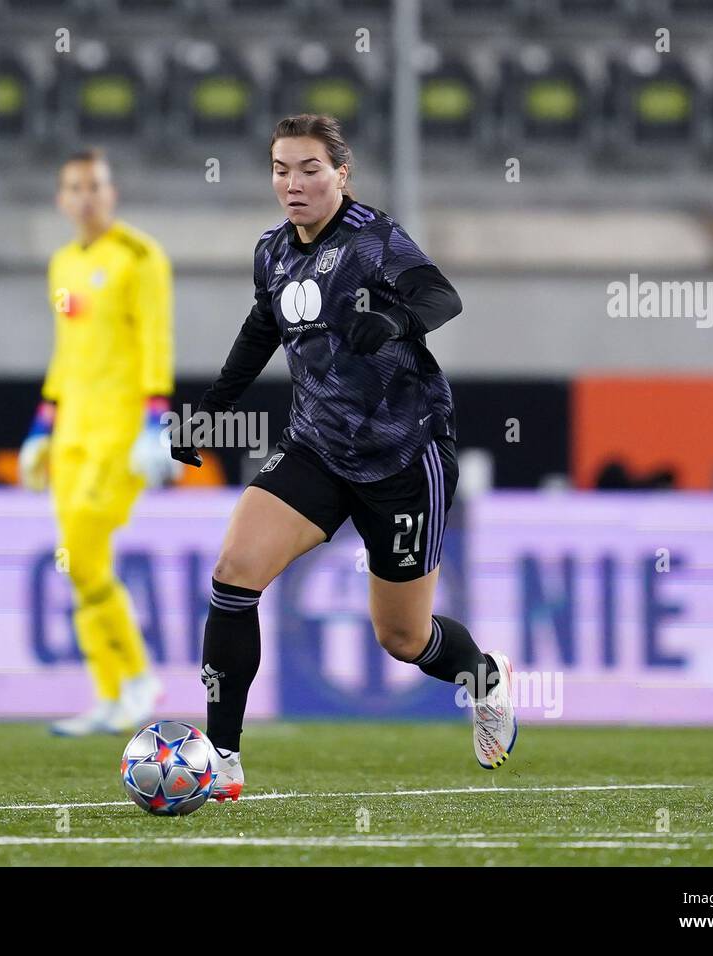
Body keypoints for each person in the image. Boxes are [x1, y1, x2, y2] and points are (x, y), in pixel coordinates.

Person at [171, 114, 517, 800]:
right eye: (281, 170)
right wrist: (211, 407)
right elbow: (260, 330)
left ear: (341, 174)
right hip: (317, 449)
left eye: (309, 170)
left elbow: (440, 295)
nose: (293, 184)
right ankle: (225, 760)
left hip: (403, 456)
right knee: (234, 573)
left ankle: (485, 678)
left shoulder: (372, 239)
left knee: (403, 638)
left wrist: (391, 318)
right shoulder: (272, 252)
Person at [20, 148, 176, 736]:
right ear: (62, 200)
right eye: (76, 187)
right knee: (82, 566)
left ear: (111, 194)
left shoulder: (140, 258)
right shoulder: (62, 266)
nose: (87, 196)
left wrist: (156, 420)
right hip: (72, 434)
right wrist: (42, 426)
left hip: (120, 430)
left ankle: (138, 679)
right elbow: (66, 350)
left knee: (84, 549)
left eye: (97, 185)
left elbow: (157, 338)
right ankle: (110, 694)